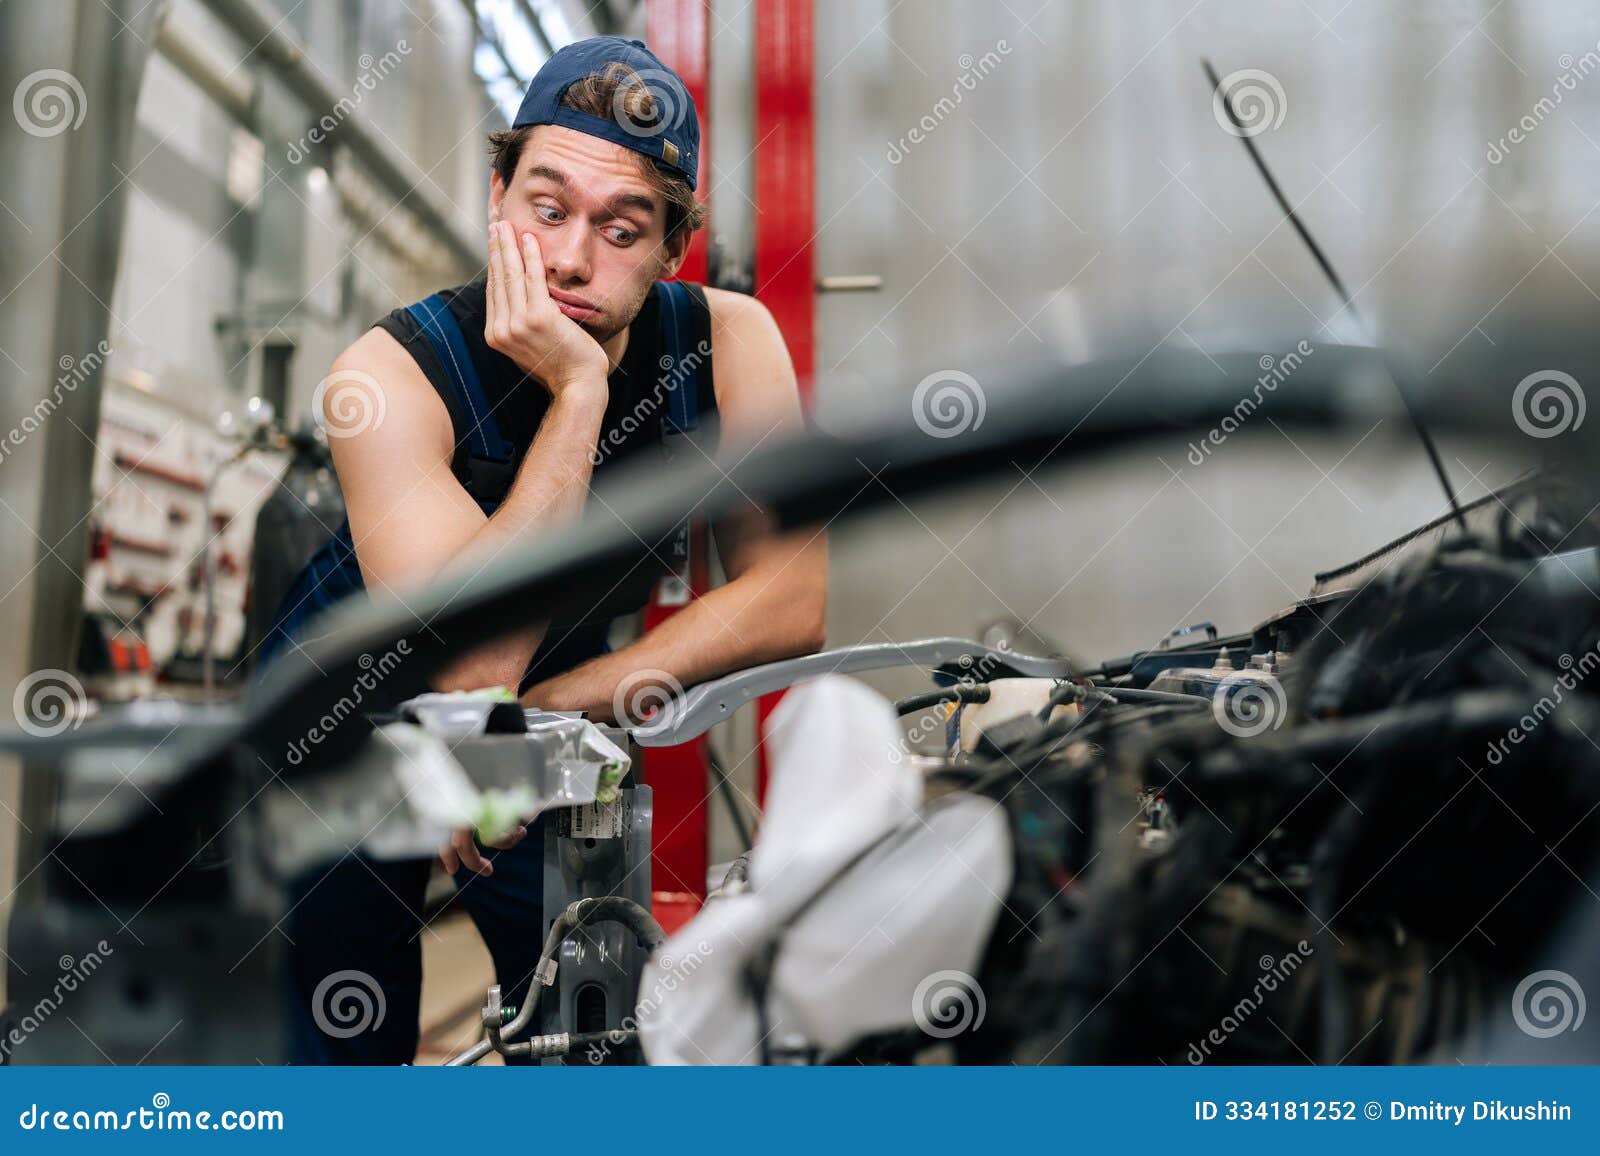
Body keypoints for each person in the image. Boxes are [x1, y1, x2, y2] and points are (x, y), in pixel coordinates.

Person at [259, 36, 826, 1064]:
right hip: (341, 724)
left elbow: (790, 598)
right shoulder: (390, 373)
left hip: (543, 710)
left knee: (596, 1017)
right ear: (496, 197)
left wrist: (550, 712)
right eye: (547, 207)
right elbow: (468, 669)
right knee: (348, 1040)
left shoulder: (729, 346)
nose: (570, 258)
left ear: (672, 249)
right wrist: (578, 396)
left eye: (622, 227)